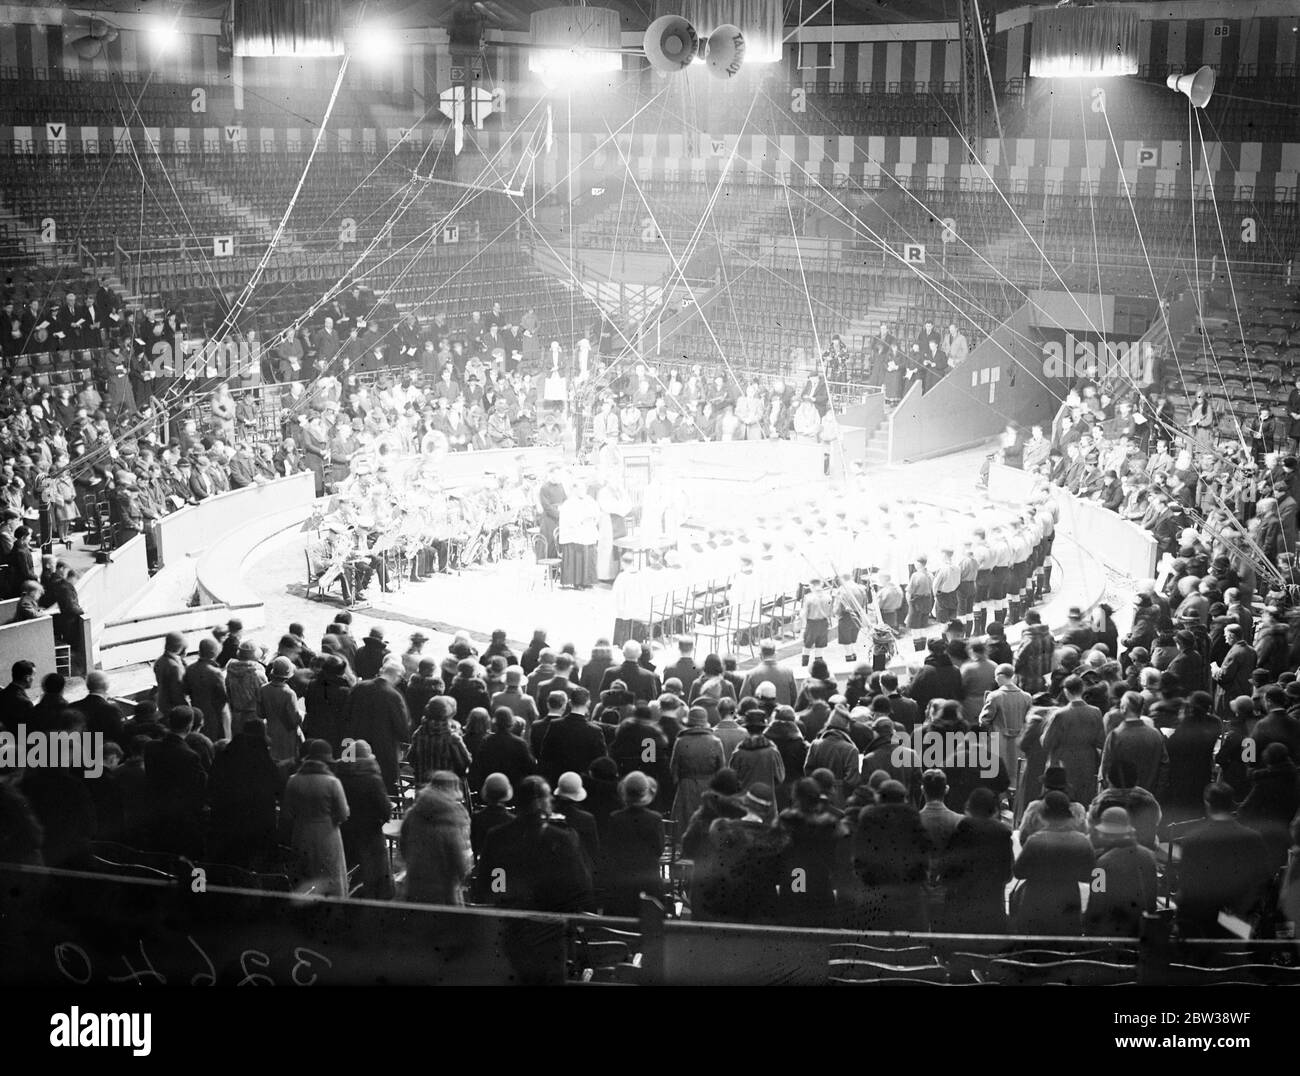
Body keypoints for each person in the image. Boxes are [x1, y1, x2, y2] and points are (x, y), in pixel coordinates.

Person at [473, 776, 594, 912]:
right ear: (538, 802)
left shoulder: (496, 836)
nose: (552, 800)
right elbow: (579, 885)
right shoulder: (561, 838)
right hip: (549, 919)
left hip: (508, 917)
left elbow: (490, 878)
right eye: (547, 796)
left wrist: (502, 898)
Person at [1174, 783, 1273, 937]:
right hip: (1240, 924)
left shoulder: (1193, 839)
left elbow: (1187, 886)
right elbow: (1263, 880)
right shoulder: (1253, 838)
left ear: (1207, 803)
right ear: (1232, 803)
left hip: (1202, 926)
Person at [848, 780, 930, 931]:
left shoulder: (869, 817)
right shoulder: (912, 816)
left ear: (879, 797)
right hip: (908, 896)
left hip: (874, 895)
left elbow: (858, 856)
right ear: (903, 798)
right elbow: (924, 854)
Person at [1011, 790, 1095, 935]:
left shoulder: (1035, 841)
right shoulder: (1082, 841)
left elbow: (1018, 872)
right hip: (1069, 906)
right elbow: (1093, 876)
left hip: (1034, 905)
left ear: (1044, 814)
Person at [706, 783, 787, 924]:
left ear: (745, 804)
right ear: (767, 810)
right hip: (763, 909)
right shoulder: (774, 839)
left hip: (729, 906)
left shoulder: (725, 832)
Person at [939, 787, 1014, 934]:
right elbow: (1008, 874)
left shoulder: (960, 831)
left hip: (960, 911)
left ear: (969, 807)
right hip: (992, 909)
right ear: (994, 810)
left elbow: (946, 872)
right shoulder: (1003, 835)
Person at [280, 740, 350, 897]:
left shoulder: (294, 780)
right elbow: (343, 814)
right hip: (327, 835)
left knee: (304, 877)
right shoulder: (332, 782)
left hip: (301, 833)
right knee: (329, 876)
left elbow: (287, 813)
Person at [399, 772, 474, 905]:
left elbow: (403, 846)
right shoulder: (452, 817)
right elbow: (460, 861)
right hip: (443, 892)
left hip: (414, 884)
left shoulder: (413, 813)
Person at [1084, 807, 1158, 937]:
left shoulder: (1101, 864)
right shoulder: (1150, 857)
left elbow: (1095, 905)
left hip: (1110, 935)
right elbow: (1152, 899)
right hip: (1142, 932)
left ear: (1107, 835)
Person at [335, 739, 394, 900]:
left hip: (345, 832)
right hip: (370, 834)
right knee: (375, 876)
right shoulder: (372, 778)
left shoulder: (339, 775)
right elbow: (385, 809)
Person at [601, 771, 665, 917]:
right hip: (648, 877)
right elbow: (659, 849)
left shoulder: (615, 818)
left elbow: (609, 848)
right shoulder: (655, 819)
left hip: (621, 878)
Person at [343, 662, 411, 794]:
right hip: (383, 750)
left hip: (353, 745)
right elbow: (402, 729)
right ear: (397, 676)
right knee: (383, 788)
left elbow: (346, 714)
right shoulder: (393, 695)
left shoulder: (359, 687)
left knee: (353, 784)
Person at [1043, 675, 1106, 802]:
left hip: (1063, 762)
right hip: (1087, 761)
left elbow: (1047, 742)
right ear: (1082, 689)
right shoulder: (1096, 712)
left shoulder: (1060, 714)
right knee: (1084, 799)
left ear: (1066, 691)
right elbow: (1101, 741)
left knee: (1063, 800)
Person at [669, 707, 726, 833]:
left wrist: (679, 783)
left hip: (686, 787)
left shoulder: (680, 741)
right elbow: (721, 769)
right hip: (708, 787)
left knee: (684, 825)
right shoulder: (715, 742)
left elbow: (673, 768)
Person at [182, 638, 229, 742]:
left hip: (196, 710)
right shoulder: (215, 673)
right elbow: (224, 696)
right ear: (214, 652)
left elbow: (185, 690)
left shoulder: (190, 669)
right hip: (214, 713)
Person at [153, 631, 188, 714]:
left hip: (162, 702)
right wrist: (187, 708)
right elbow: (178, 693)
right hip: (173, 707)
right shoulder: (175, 667)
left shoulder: (159, 661)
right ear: (179, 647)